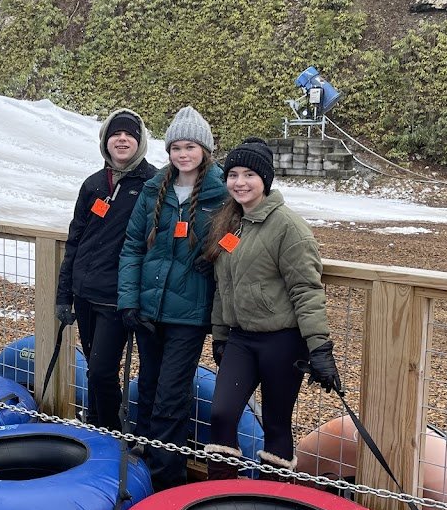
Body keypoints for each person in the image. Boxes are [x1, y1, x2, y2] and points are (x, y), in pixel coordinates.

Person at [203, 137, 342, 481]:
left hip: (281, 341)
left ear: (265, 179)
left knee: (277, 424)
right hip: (240, 340)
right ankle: (218, 494)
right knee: (221, 414)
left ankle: (272, 500)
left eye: (248, 174)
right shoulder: (230, 225)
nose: (239, 182)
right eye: (233, 174)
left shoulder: (288, 227)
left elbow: (306, 291)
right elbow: (224, 286)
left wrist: (320, 348)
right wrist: (220, 335)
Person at [118, 105, 226, 490]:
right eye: (176, 147)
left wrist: (213, 255)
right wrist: (129, 300)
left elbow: (236, 238)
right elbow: (133, 245)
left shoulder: (222, 189)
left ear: (205, 149)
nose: (183, 154)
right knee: (147, 386)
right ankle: (142, 465)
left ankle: (167, 479)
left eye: (190, 147)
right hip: (150, 306)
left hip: (189, 313)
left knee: (170, 396)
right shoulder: (154, 189)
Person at [56, 109, 156, 429]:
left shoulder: (152, 184)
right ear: (105, 141)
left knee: (101, 370)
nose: (122, 139)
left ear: (139, 142)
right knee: (94, 368)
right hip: (85, 292)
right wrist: (64, 294)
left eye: (130, 134)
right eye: (116, 133)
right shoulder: (94, 184)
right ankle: (98, 425)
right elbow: (75, 240)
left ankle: (111, 430)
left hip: (117, 296)